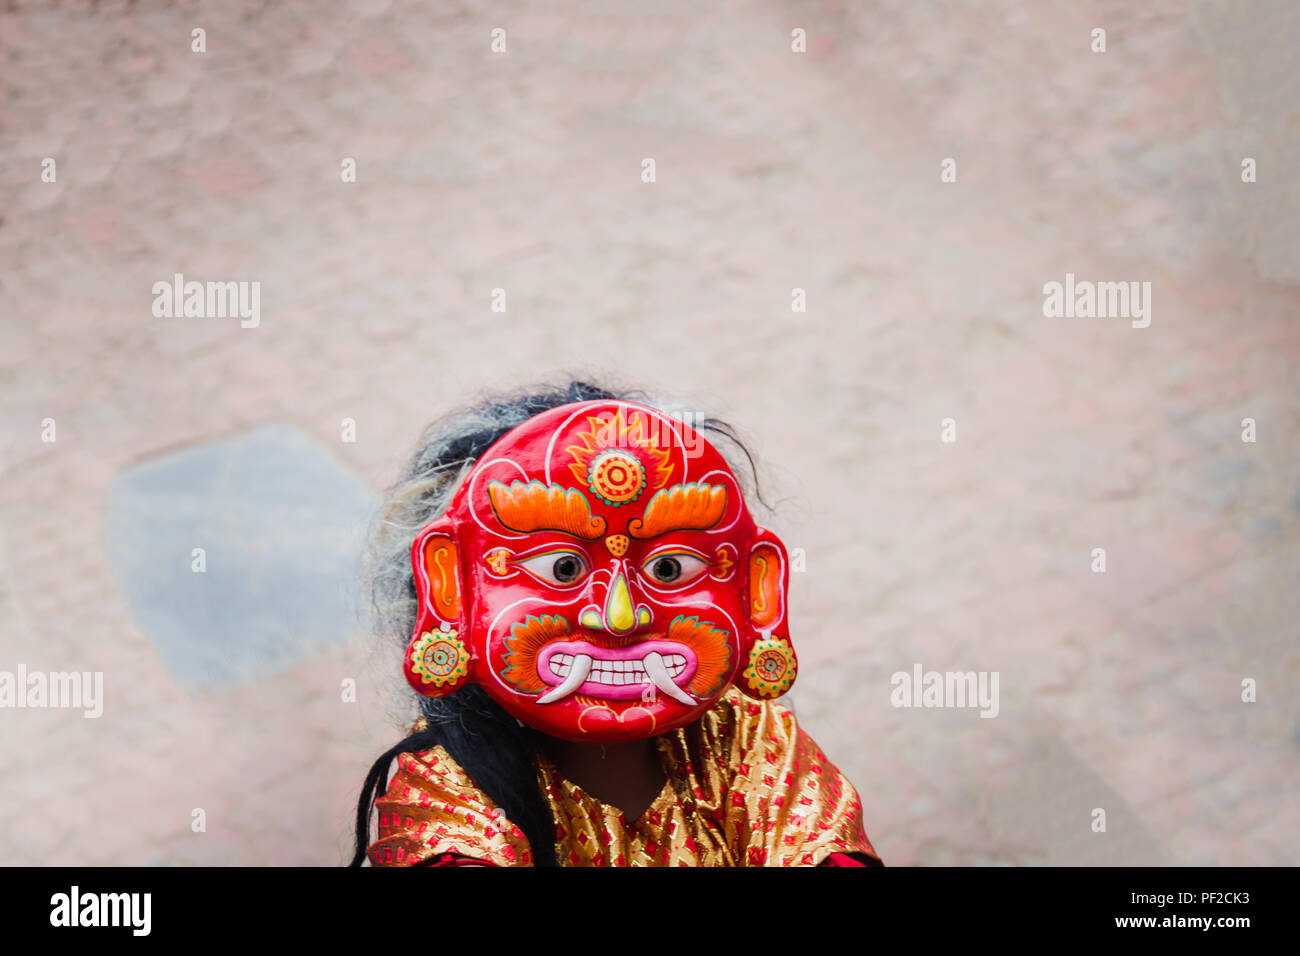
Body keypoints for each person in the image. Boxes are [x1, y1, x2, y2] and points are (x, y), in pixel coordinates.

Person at [349, 381, 882, 867]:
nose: (619, 616)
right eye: (563, 567)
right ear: (452, 589)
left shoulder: (750, 741)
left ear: (757, 588)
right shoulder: (443, 792)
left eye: (669, 568)